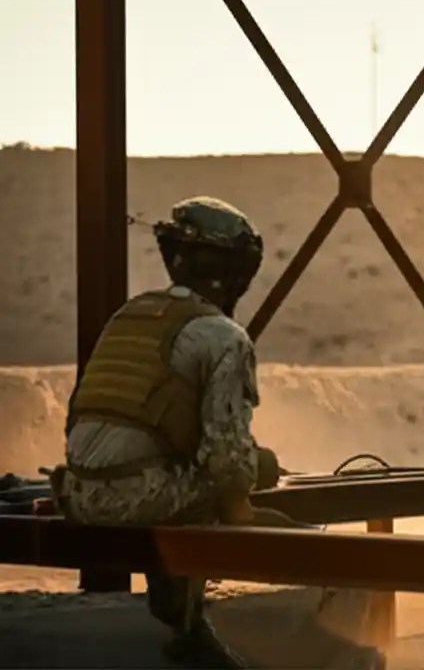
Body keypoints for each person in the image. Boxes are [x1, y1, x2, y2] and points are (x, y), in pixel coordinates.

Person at [52, 196, 278, 664]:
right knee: (250, 470)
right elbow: (226, 458)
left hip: (75, 492)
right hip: (133, 497)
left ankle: (182, 621)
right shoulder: (223, 335)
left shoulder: (130, 314)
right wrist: (242, 509)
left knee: (197, 474)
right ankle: (188, 628)